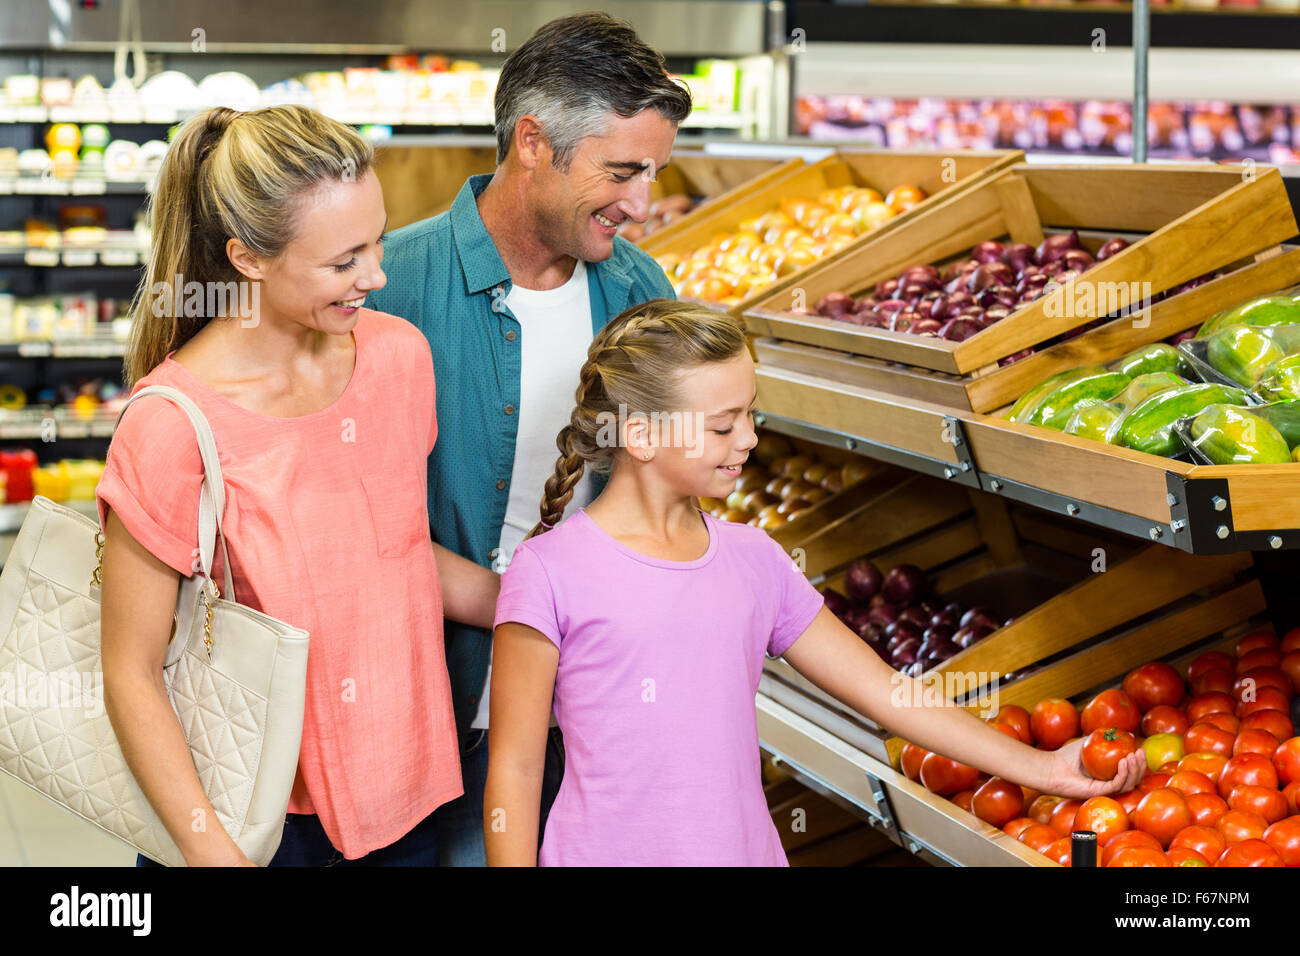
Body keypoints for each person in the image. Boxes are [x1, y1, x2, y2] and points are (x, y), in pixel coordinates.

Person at [483, 300, 1148, 866]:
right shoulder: (549, 573)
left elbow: (889, 694)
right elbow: (513, 770)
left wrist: (1040, 767)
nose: (747, 437)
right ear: (640, 434)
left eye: (749, 413)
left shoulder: (755, 559)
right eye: (722, 425)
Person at [97, 104, 499, 866]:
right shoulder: (173, 425)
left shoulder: (398, 358)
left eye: (377, 241)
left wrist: (549, 604)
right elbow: (131, 671)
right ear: (247, 259)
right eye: (344, 261)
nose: (377, 276)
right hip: (251, 818)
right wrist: (214, 853)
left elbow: (399, 553)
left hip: (405, 798)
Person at [367, 11, 691, 865]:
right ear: (535, 142)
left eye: (653, 172)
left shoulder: (640, 290)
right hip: (413, 717)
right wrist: (521, 605)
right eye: (622, 170)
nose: (641, 201)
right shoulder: (387, 286)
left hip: (583, 719)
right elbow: (345, 527)